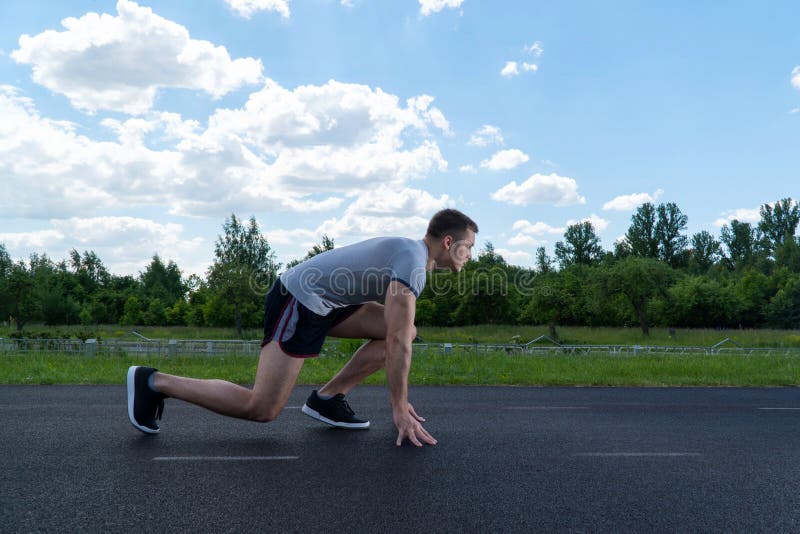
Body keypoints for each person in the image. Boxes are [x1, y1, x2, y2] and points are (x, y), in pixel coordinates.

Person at [127, 209, 478, 447]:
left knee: (406, 329)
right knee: (261, 408)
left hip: (330, 304)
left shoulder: (413, 257)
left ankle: (327, 398)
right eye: (469, 247)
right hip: (298, 298)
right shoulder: (413, 263)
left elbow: (399, 331)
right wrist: (399, 408)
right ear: (449, 242)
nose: (470, 255)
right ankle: (154, 382)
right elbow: (398, 341)